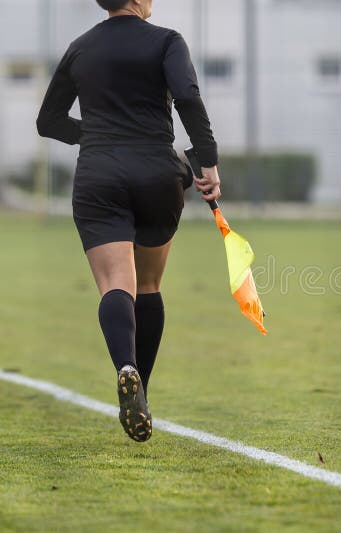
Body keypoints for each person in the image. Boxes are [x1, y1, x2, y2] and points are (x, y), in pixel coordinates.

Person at [36, 0, 221, 442]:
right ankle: (142, 392)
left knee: (116, 283)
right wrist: (208, 162)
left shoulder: (81, 47)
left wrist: (98, 135)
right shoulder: (166, 41)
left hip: (100, 174)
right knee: (149, 285)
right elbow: (188, 98)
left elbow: (48, 121)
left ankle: (126, 368)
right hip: (158, 173)